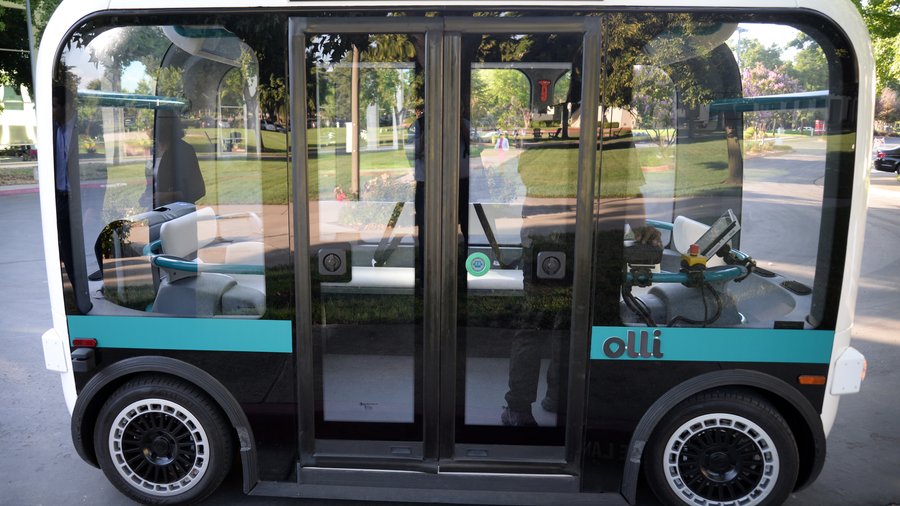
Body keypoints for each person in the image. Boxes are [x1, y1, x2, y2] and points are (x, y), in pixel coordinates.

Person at [151, 110, 205, 207]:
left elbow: (198, 190)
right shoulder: (154, 150)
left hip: (179, 215)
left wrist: (165, 196)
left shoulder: (184, 150)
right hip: (157, 212)